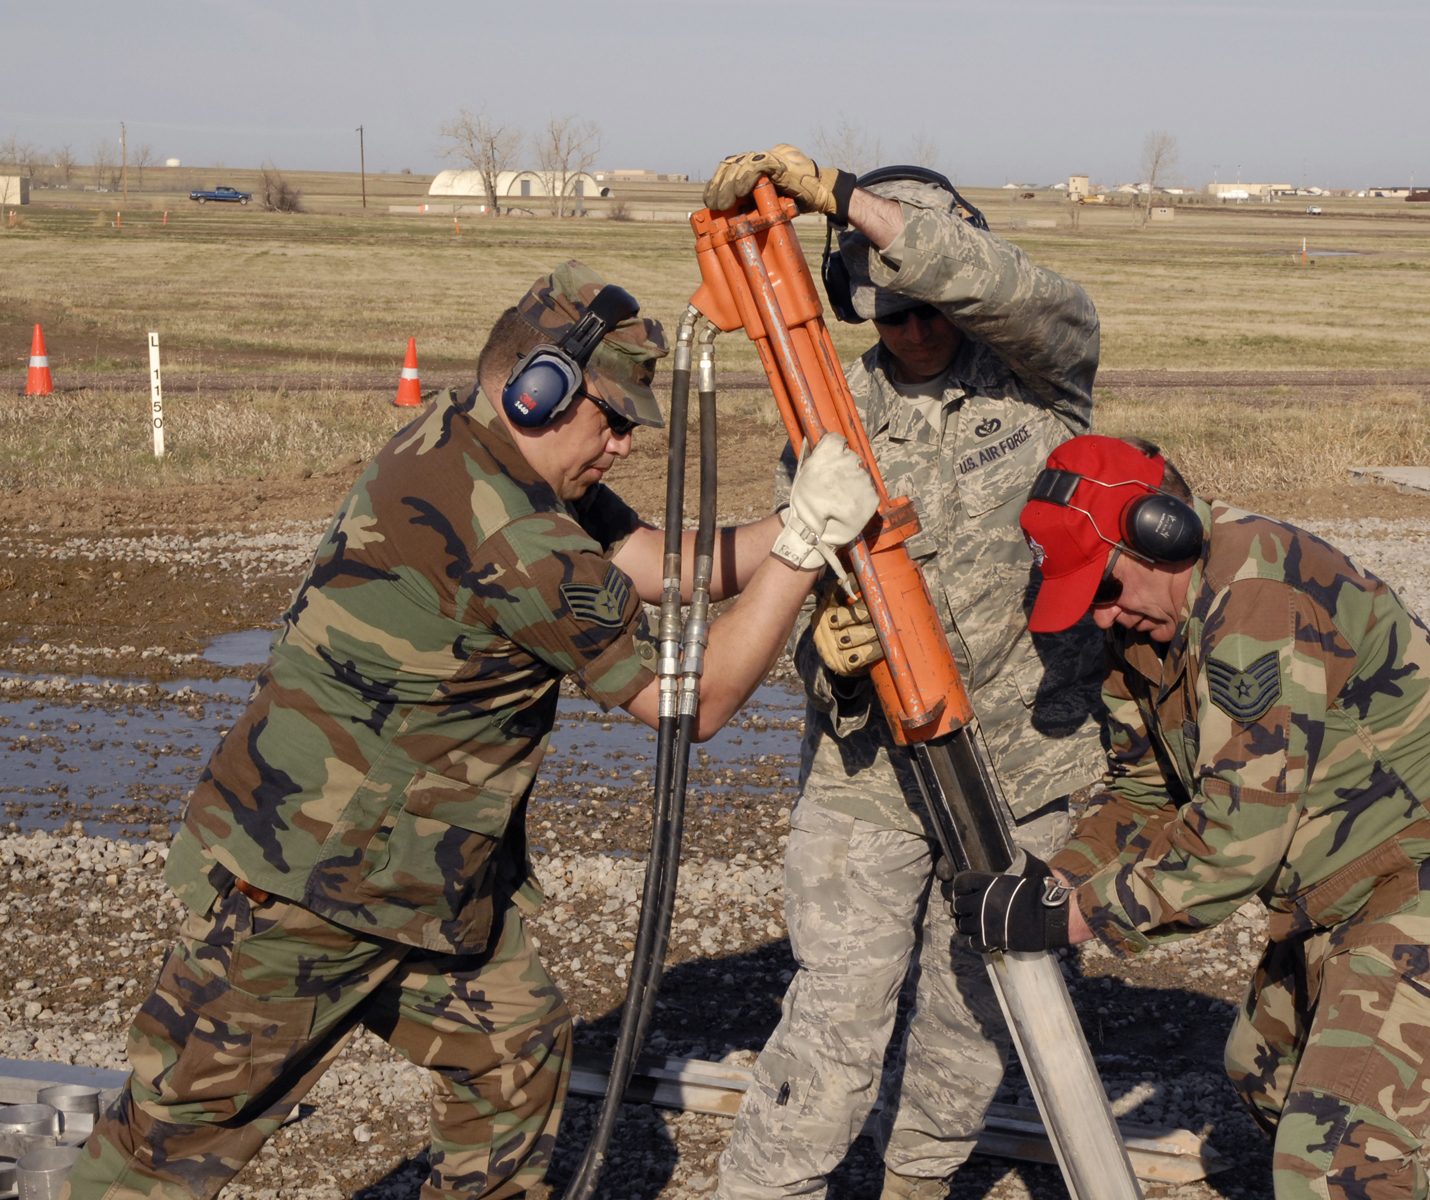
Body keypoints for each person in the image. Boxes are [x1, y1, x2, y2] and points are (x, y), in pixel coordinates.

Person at [65, 261, 878, 1200]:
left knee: (514, 1053)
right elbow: (689, 701)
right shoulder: (514, 538)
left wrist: (793, 530)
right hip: (308, 883)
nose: (620, 444)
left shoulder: (473, 439)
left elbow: (653, 559)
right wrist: (799, 554)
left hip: (419, 877)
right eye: (609, 418)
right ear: (540, 389)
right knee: (175, 1138)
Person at [951, 434, 1430, 1199]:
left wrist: (1074, 919)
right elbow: (1147, 796)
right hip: (1346, 887)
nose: (1105, 617)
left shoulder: (1257, 594)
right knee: (1265, 1076)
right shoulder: (1152, 630)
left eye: (1107, 588)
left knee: (1332, 1156)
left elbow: (1236, 841)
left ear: (1162, 533)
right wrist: (1054, 881)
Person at [699, 147, 1108, 1200]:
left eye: (932, 306)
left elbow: (1036, 296)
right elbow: (808, 571)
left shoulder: (1042, 380)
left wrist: (843, 200)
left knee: (972, 1022)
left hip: (1023, 763)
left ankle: (917, 1185)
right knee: (836, 1019)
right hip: (869, 778)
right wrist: (825, 660)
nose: (917, 331)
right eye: (891, 315)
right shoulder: (826, 419)